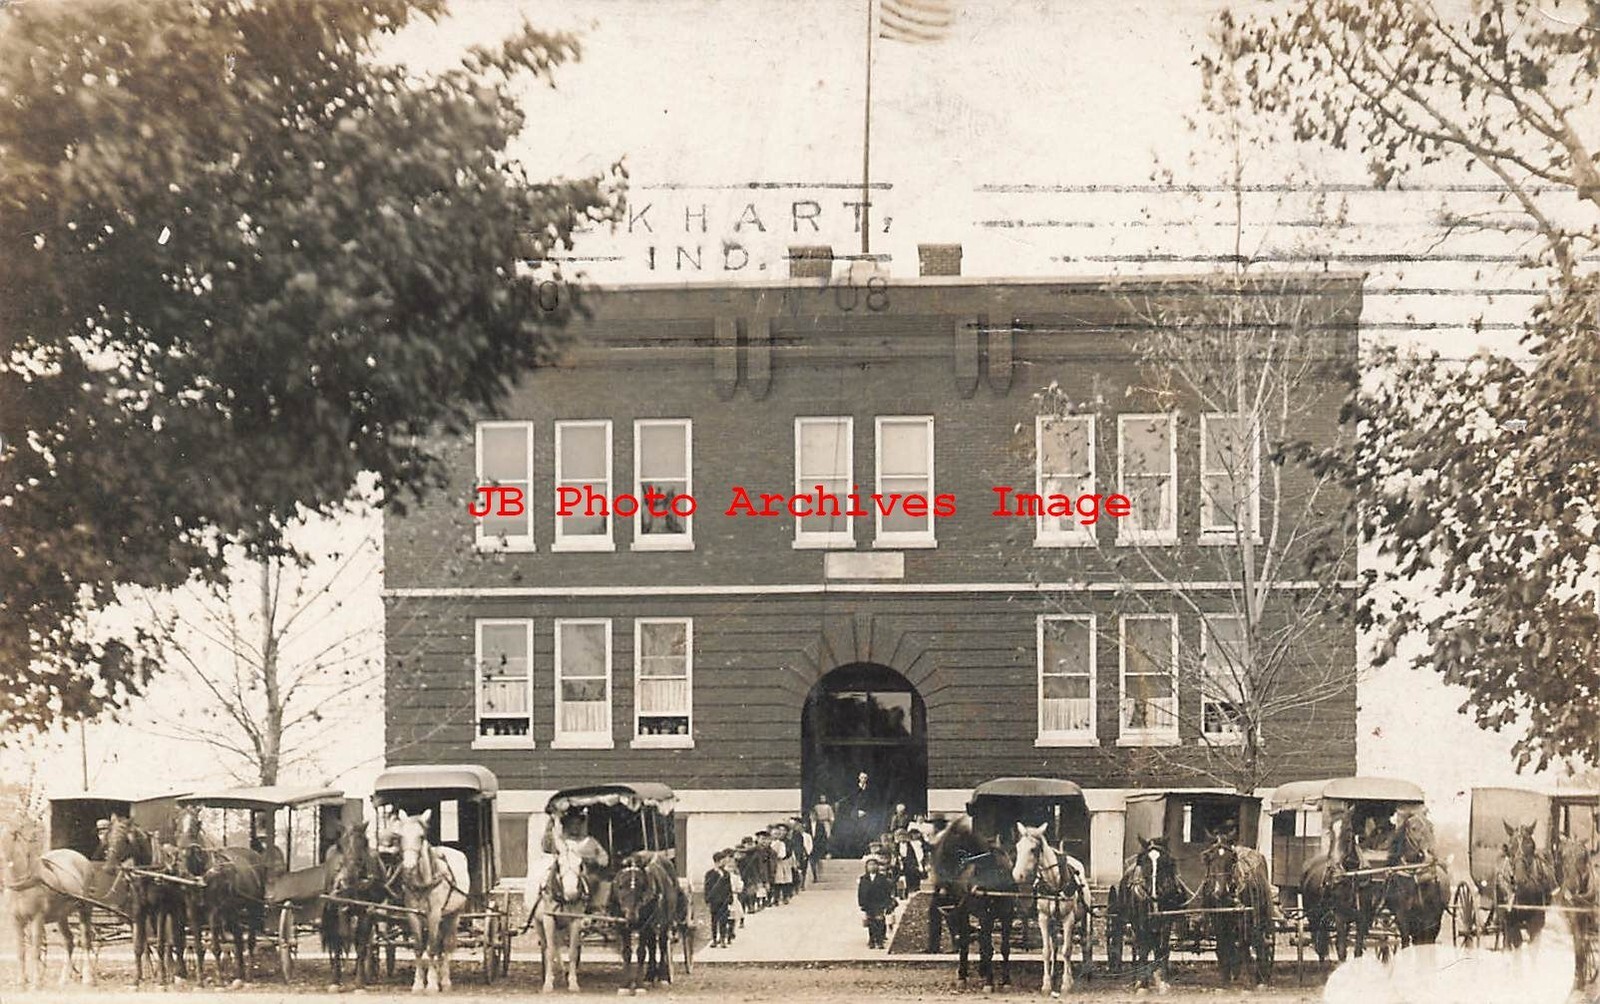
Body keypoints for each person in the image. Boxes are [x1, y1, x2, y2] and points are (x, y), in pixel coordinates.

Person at [858, 855, 896, 950]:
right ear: (866, 867)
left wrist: (887, 903)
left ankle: (879, 940)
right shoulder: (864, 879)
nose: (872, 867)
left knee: (879, 921)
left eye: (874, 865)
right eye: (870, 865)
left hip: (879, 903)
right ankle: (872, 939)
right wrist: (862, 903)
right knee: (871, 922)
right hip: (869, 903)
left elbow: (886, 891)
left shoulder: (882, 878)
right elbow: (861, 891)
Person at [704, 851, 734, 948]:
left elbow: (729, 887)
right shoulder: (709, 874)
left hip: (724, 900)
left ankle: (722, 939)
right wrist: (707, 899)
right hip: (714, 901)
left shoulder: (726, 873)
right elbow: (707, 887)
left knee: (724, 920)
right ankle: (714, 939)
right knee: (714, 920)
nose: (725, 862)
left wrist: (730, 899)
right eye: (723, 860)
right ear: (717, 861)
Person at [770, 823, 795, 905]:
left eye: (783, 831)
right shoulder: (771, 842)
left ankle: (784, 896)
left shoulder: (784, 843)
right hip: (772, 862)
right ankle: (774, 898)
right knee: (775, 881)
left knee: (782, 880)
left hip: (782, 862)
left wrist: (778, 856)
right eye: (779, 831)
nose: (781, 833)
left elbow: (785, 853)